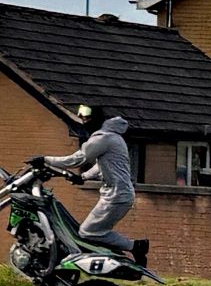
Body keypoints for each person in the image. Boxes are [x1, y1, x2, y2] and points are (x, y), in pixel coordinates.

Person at [30, 105, 149, 267]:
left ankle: (135, 247)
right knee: (94, 231)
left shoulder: (103, 138)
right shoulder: (114, 137)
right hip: (118, 194)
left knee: (88, 232)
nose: (83, 121)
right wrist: (83, 177)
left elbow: (77, 159)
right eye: (82, 117)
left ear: (97, 119)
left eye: (87, 117)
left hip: (116, 196)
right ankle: (123, 250)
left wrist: (45, 160)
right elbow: (102, 166)